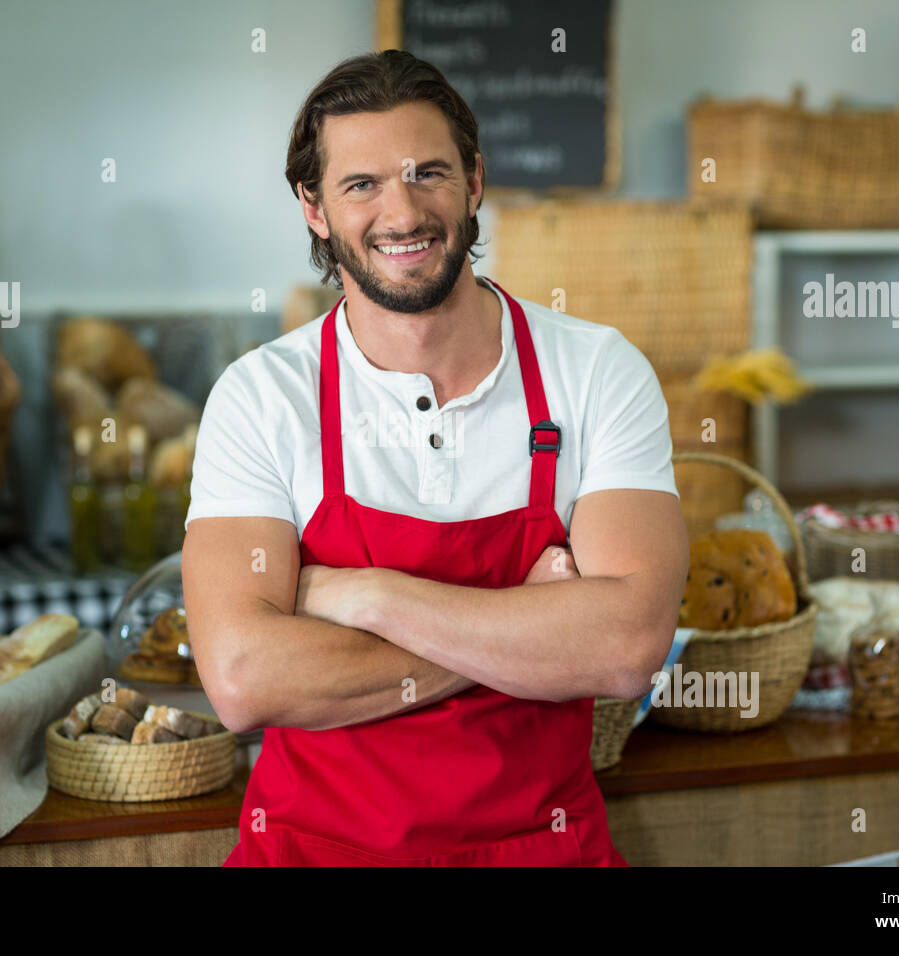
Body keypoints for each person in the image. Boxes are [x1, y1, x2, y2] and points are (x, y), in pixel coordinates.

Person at [183, 50, 688, 866]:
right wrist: (524, 622)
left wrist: (368, 595)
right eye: (362, 185)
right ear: (313, 208)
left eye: (429, 173)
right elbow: (243, 680)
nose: (403, 210)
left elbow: (627, 648)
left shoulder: (595, 372)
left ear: (475, 182)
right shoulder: (262, 398)